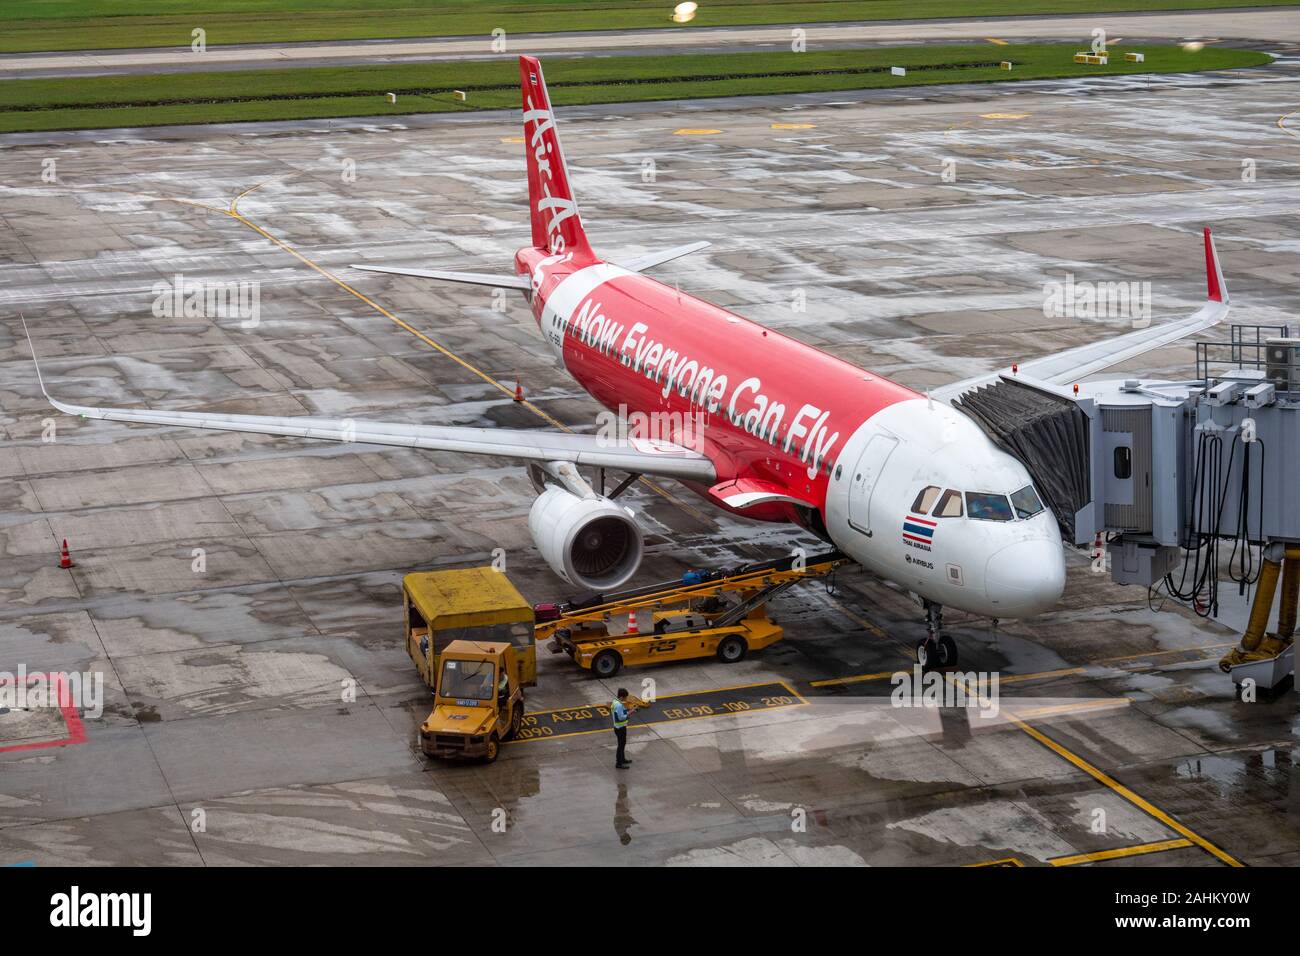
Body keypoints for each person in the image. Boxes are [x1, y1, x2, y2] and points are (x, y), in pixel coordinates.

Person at [611, 688, 632, 769]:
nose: (626, 699)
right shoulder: (619, 705)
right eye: (625, 697)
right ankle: (619, 763)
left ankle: (622, 759)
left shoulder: (615, 702)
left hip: (617, 727)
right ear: (622, 697)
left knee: (622, 744)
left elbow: (619, 713)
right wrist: (629, 713)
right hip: (620, 728)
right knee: (621, 745)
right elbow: (621, 718)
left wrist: (626, 711)